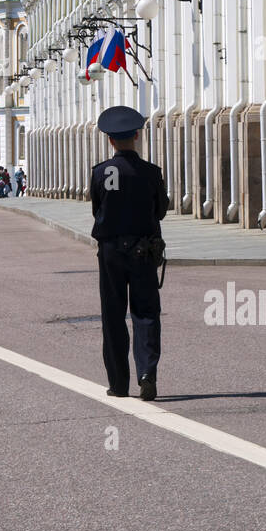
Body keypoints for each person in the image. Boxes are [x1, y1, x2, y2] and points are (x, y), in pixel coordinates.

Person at [90, 106, 168, 402]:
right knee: (146, 312)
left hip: (110, 251)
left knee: (113, 315)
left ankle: (119, 384)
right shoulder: (150, 172)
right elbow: (160, 210)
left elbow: (96, 209)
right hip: (143, 250)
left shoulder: (99, 172)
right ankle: (147, 373)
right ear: (136, 136)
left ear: (110, 140)